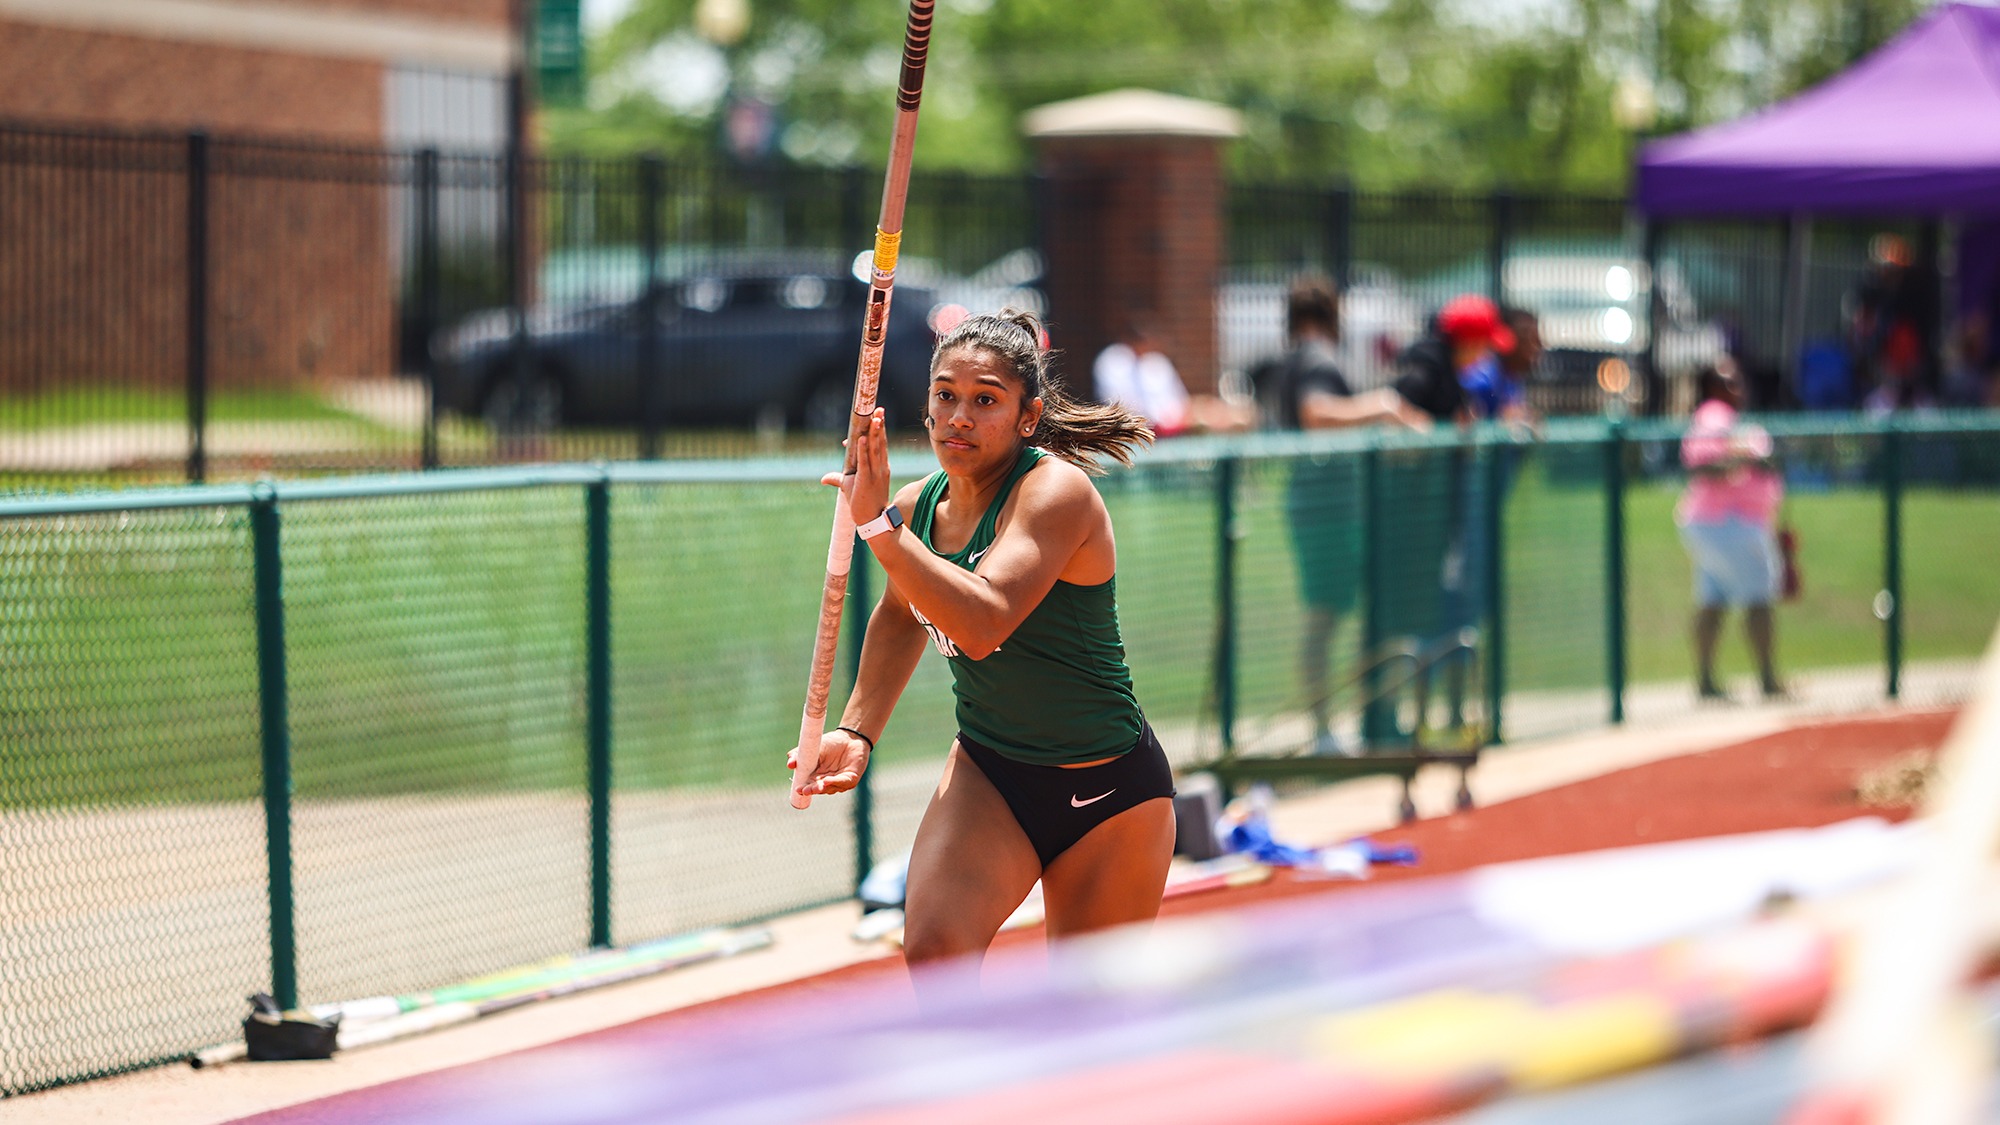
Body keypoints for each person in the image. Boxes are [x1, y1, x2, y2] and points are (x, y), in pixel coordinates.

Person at [790, 310, 1175, 999]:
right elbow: (904, 613)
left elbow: (981, 622)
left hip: (1107, 789)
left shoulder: (1054, 493)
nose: (958, 416)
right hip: (992, 770)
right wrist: (856, 729)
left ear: (1028, 417)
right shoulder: (916, 506)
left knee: (1086, 1019)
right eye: (945, 395)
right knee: (935, 953)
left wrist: (878, 527)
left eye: (985, 399)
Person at [1252, 277, 1428, 755]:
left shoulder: (1292, 360)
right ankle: (1327, 729)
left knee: (1333, 615)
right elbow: (1317, 413)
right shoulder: (1315, 359)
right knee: (1326, 617)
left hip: (1317, 502)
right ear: (1332, 315)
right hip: (1325, 505)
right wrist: (1383, 407)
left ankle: (1343, 723)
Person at [1677, 359, 1786, 701]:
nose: (1738, 388)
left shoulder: (1723, 419)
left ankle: (1706, 680)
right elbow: (1703, 466)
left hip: (1717, 523)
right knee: (1758, 597)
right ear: (1712, 387)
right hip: (1729, 522)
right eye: (1730, 382)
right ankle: (1768, 678)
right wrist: (1746, 456)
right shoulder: (1713, 416)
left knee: (1714, 600)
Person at [1393, 294, 1516, 426]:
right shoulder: (1425, 371)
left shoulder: (1451, 371)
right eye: (1486, 346)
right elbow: (1394, 408)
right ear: (1470, 344)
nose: (1487, 355)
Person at [1093, 318, 1191, 436]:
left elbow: (1178, 401)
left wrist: (1168, 420)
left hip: (1165, 433)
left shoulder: (1158, 362)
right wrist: (1146, 420)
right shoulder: (1111, 361)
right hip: (1126, 431)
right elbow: (1112, 400)